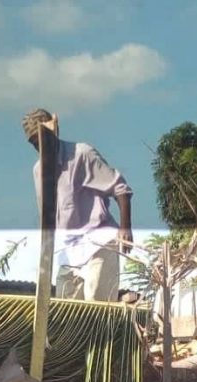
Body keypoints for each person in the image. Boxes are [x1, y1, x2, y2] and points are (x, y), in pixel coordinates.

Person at [22, 108, 133, 302]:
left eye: (42, 138)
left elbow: (120, 189)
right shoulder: (38, 171)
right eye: (34, 142)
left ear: (55, 132)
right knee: (67, 313)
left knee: (96, 308)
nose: (39, 146)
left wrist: (125, 228)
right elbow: (47, 218)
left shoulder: (81, 154)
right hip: (68, 250)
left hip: (98, 242)